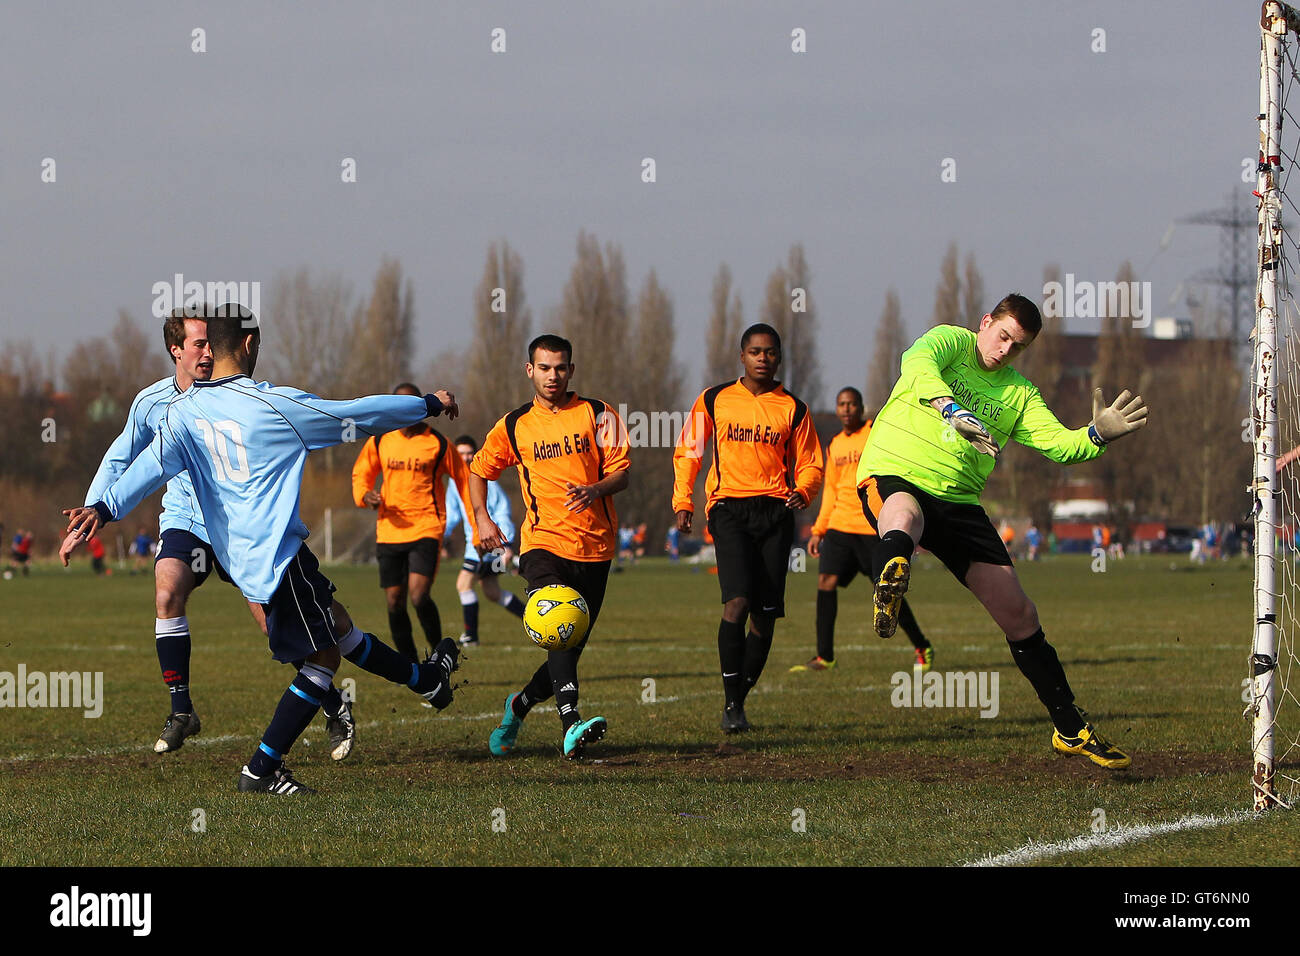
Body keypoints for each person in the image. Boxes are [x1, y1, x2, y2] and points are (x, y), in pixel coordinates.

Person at [61, 306, 465, 794]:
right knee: (322, 661)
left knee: (339, 627)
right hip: (277, 558)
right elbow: (357, 414)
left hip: (243, 559)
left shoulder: (183, 413)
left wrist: (102, 510)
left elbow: (147, 466)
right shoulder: (274, 406)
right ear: (251, 346)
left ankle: (425, 679)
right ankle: (262, 768)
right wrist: (425, 404)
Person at [857, 293, 1147, 769]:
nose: (1005, 350)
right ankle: (891, 571)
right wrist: (952, 410)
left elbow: (1057, 443)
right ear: (985, 322)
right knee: (905, 515)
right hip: (897, 473)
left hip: (961, 503)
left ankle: (1071, 730)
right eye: (1003, 336)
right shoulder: (951, 342)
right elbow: (917, 364)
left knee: (1020, 614)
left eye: (1018, 346)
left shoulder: (1018, 393)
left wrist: (1096, 434)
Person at [73, 309, 356, 760]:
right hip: (186, 520)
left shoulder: (242, 397)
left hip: (235, 526)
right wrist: (90, 513)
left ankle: (333, 703)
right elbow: (119, 458)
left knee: (273, 625)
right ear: (176, 350)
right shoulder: (151, 403)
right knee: (167, 590)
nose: (209, 352)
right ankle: (181, 709)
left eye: (212, 343)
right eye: (199, 344)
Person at [471, 333, 630, 759]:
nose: (552, 376)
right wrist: (482, 517)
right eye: (544, 368)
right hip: (542, 545)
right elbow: (478, 469)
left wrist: (596, 489)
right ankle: (571, 723)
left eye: (560, 368)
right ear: (530, 370)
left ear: (571, 370)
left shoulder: (598, 413)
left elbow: (623, 473)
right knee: (559, 632)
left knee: (568, 644)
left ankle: (518, 706)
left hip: (595, 549)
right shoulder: (514, 424)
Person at [673, 323, 824, 733]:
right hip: (729, 510)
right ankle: (731, 705)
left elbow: (811, 462)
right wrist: (683, 499)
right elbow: (689, 450)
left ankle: (738, 699)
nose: (763, 358)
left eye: (770, 352)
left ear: (779, 358)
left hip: (776, 512)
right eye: (755, 351)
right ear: (742, 356)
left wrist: (804, 491)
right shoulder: (714, 399)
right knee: (737, 602)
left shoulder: (793, 408)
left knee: (766, 614)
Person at [790, 387, 933, 674]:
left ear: (860, 407)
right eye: (841, 404)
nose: (846, 409)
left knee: (887, 591)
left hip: (871, 525)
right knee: (825, 583)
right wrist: (819, 529)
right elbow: (830, 489)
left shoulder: (875, 432)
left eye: (852, 404)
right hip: (839, 527)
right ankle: (824, 656)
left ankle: (922, 646)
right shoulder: (834, 445)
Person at [351, 383, 476, 663]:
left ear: (420, 406)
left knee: (419, 596)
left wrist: (477, 528)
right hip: (389, 531)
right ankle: (409, 666)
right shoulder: (381, 440)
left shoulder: (439, 443)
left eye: (409, 405)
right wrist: (365, 496)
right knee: (395, 602)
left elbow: (466, 483)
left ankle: (442, 655)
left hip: (427, 528)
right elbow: (361, 474)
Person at [442, 433, 525, 647]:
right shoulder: (455, 481)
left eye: (470, 453)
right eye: (461, 454)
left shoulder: (482, 479)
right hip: (477, 546)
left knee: (463, 584)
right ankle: (531, 621)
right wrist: (441, 535)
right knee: (491, 591)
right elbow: (452, 515)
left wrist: (505, 545)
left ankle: (471, 636)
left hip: (486, 546)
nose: (466, 458)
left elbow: (502, 511)